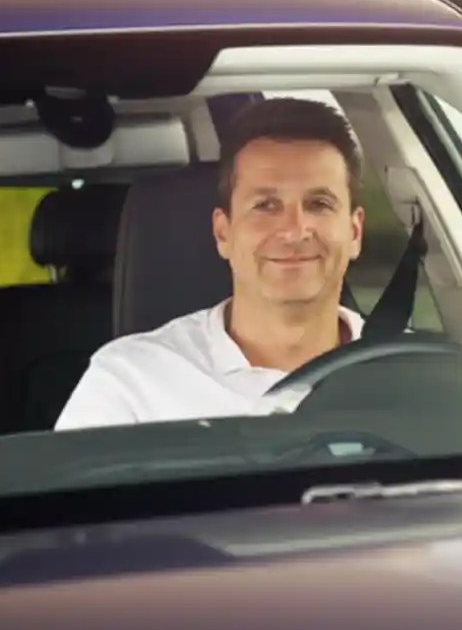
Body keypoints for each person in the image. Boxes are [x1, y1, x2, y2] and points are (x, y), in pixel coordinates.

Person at [54, 97, 366, 430]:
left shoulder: (413, 370)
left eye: (319, 204)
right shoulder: (128, 383)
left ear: (354, 231)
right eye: (266, 205)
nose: (294, 230)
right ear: (223, 233)